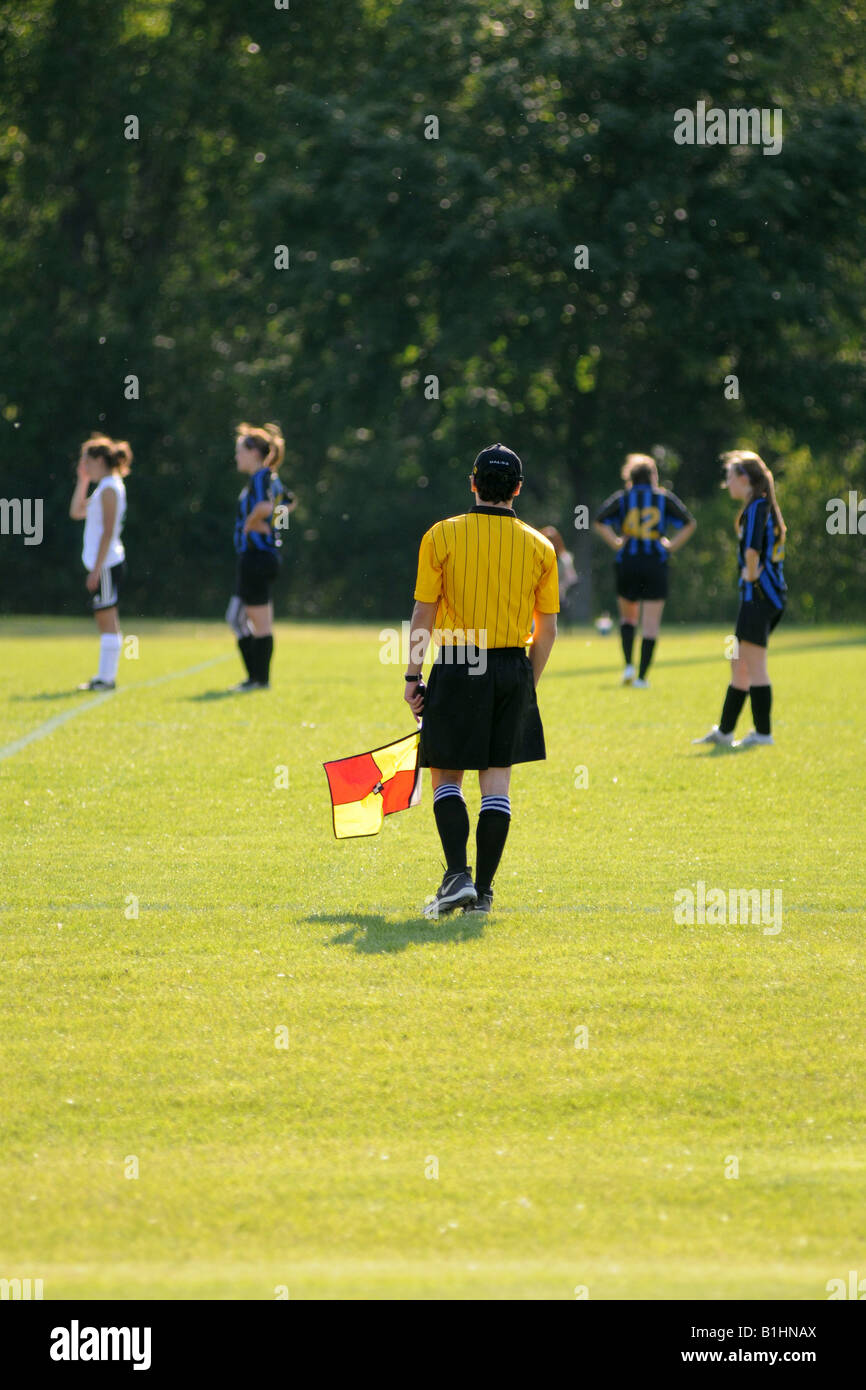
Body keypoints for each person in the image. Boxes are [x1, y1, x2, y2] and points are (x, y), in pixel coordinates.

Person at [403, 442, 559, 918]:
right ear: (517, 488)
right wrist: (525, 681)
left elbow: (423, 612)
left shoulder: (441, 535)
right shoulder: (541, 545)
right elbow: (548, 627)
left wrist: (413, 674)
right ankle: (483, 894)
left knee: (446, 774)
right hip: (513, 666)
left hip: (458, 662)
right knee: (497, 784)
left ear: (472, 483)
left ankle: (457, 877)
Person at [693, 450, 787, 749]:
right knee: (739, 662)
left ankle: (763, 734)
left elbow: (751, 551)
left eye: (730, 476)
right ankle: (725, 732)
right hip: (761, 597)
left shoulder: (757, 507)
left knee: (754, 665)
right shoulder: (759, 505)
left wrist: (749, 575)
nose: (727, 483)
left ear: (744, 478)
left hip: (759, 597)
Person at [593, 453, 696, 687]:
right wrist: (670, 546)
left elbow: (599, 520)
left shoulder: (623, 497)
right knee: (650, 624)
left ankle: (628, 665)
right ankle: (641, 677)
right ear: (653, 476)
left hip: (628, 563)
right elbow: (690, 523)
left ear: (629, 477)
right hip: (655, 563)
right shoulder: (663, 497)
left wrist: (617, 542)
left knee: (628, 618)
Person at [227, 422, 296, 691]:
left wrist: (252, 524)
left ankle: (259, 680)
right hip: (256, 557)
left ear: (254, 452)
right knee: (235, 618)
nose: (236, 457)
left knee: (259, 623)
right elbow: (288, 502)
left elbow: (268, 506)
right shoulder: (269, 477)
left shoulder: (261, 476)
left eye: (239, 451)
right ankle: (254, 678)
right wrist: (276, 525)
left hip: (258, 557)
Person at [69, 433, 132, 691]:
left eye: (86, 462)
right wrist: (82, 481)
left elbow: (108, 531)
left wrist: (96, 570)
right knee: (105, 619)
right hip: (104, 565)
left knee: (106, 620)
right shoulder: (104, 486)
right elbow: (76, 512)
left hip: (106, 565)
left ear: (98, 460)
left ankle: (106, 678)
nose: (84, 466)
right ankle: (105, 677)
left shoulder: (109, 489)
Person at [541, 525, 579, 622]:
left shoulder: (565, 558)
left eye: (552, 540)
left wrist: (561, 588)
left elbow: (571, 578)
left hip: (560, 592)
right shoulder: (538, 555)